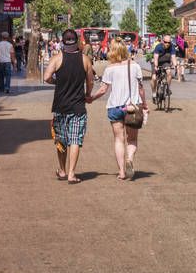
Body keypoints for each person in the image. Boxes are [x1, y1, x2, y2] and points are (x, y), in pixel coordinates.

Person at [88, 38, 147, 180]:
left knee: (118, 140)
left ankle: (121, 172)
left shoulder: (110, 68)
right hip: (132, 107)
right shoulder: (135, 66)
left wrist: (91, 98)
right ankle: (130, 159)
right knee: (132, 139)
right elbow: (141, 89)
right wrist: (144, 105)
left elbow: (103, 89)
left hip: (115, 107)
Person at [45, 28, 93, 183]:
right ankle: (72, 173)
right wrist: (88, 94)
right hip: (78, 106)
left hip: (60, 105)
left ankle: (62, 170)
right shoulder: (85, 59)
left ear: (63, 41)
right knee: (75, 140)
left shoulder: (57, 58)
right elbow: (90, 81)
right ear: (77, 41)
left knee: (61, 139)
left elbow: (46, 77)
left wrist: (57, 82)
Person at [152, 33, 176, 99]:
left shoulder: (172, 47)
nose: (167, 44)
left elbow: (173, 57)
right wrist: (156, 66)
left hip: (165, 62)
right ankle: (154, 92)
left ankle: (168, 88)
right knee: (154, 78)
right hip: (157, 63)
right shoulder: (158, 47)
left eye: (169, 42)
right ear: (163, 41)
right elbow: (156, 58)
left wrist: (175, 65)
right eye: (165, 42)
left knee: (169, 72)